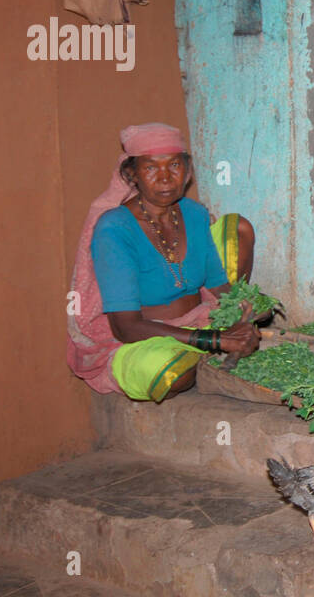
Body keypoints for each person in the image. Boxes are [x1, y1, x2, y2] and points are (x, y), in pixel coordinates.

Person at [67, 122, 259, 402]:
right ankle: (201, 354)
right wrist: (216, 340)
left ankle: (203, 352)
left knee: (238, 227)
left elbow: (220, 288)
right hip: (144, 337)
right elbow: (126, 328)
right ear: (132, 174)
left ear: (188, 171)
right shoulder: (115, 228)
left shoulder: (193, 214)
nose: (165, 177)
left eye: (174, 166)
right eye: (151, 168)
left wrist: (246, 314)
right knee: (172, 374)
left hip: (201, 320)